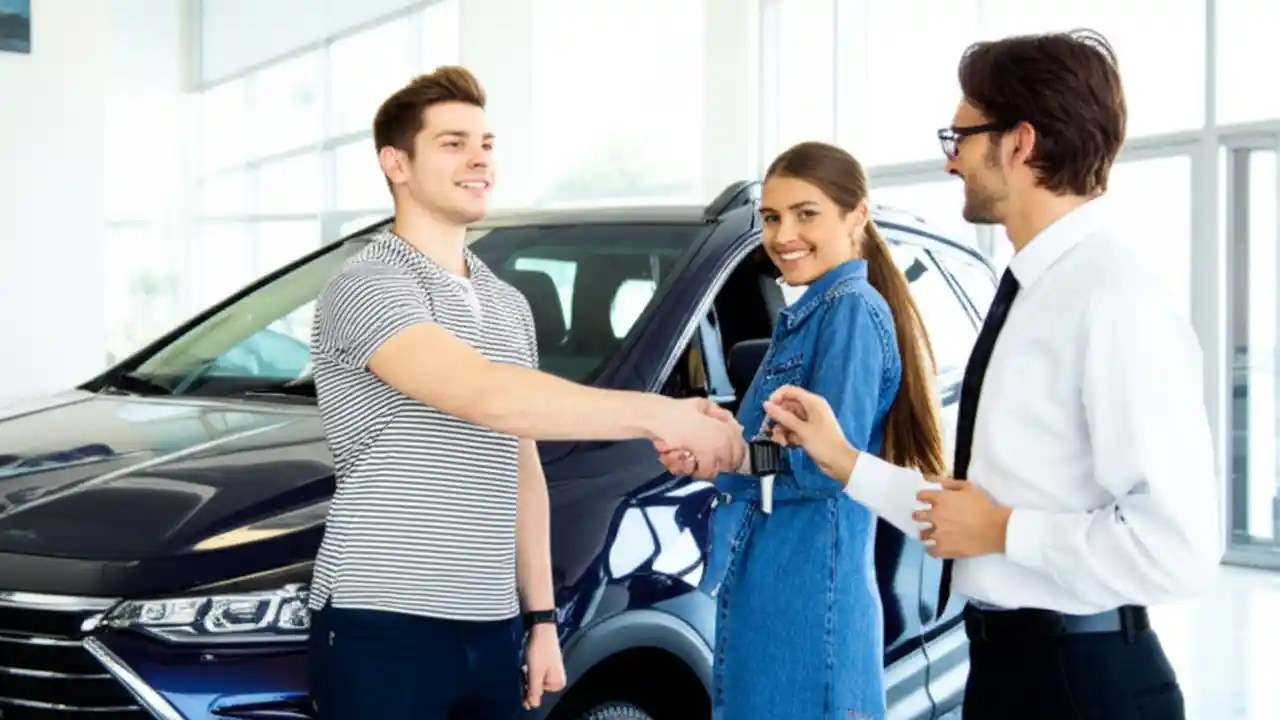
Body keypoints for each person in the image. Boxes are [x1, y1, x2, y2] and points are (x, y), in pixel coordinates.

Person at [760, 30, 1222, 720]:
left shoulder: (1111, 297)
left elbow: (1179, 547)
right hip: (1009, 669)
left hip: (1082, 683)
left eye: (961, 136)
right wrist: (844, 460)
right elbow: (963, 517)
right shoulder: (1036, 290)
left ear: (1020, 143)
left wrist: (1005, 531)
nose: (951, 163)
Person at [304, 66, 743, 720]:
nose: (480, 157)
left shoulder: (506, 306)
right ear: (396, 163)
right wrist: (660, 413)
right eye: (454, 143)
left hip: (491, 624)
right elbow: (486, 395)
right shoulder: (368, 284)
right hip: (384, 620)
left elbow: (523, 468)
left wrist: (540, 621)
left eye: (486, 142)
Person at [657, 141, 947, 720]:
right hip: (773, 591)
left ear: (856, 214)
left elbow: (824, 467)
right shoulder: (809, 314)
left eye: (805, 213)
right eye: (771, 217)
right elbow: (786, 455)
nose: (783, 233)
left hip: (810, 604)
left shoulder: (849, 312)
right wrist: (722, 455)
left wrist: (739, 457)